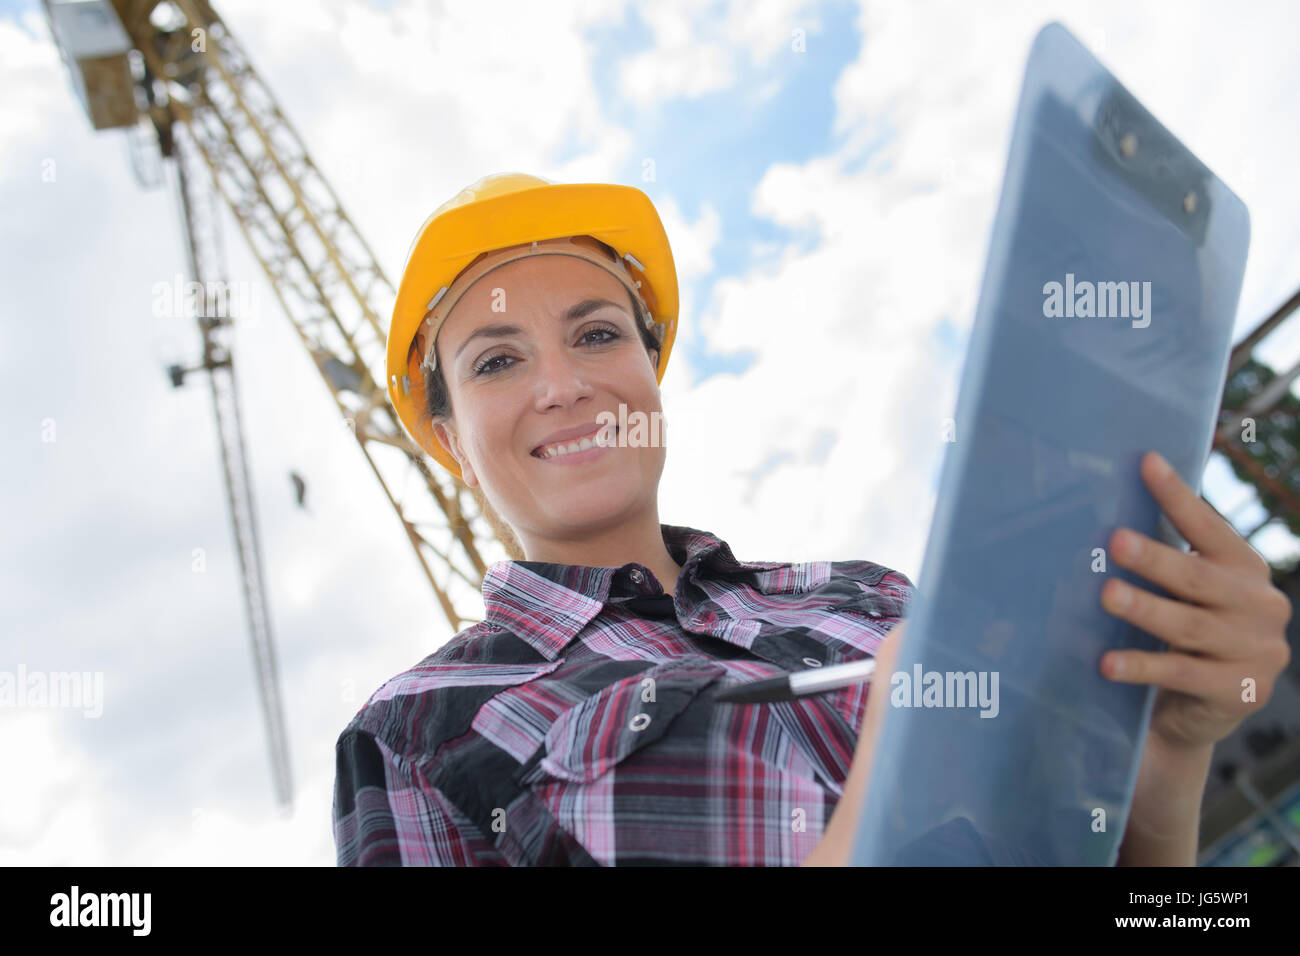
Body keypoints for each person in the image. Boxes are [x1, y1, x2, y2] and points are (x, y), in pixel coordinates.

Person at [332, 173, 1292, 866]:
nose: (565, 383)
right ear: (449, 441)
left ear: (647, 377)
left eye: (597, 333)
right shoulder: (411, 736)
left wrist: (1168, 757)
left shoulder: (868, 597)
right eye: (496, 362)